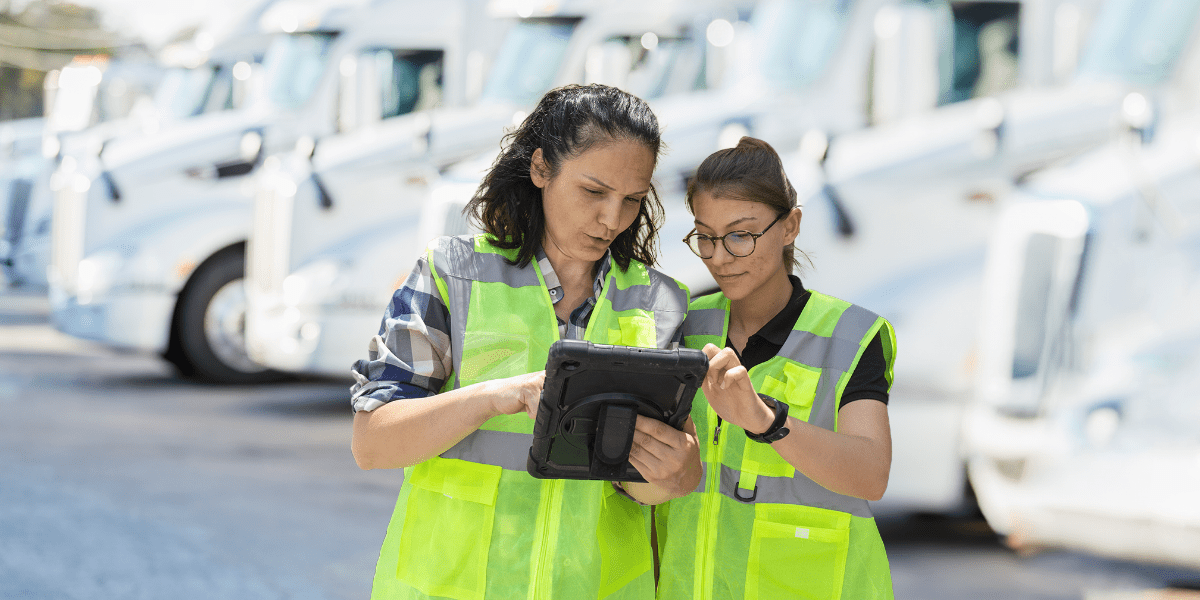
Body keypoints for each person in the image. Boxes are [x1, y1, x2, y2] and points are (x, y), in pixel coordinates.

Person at [349, 84, 702, 600]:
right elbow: (373, 443)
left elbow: (651, 488)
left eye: (632, 200)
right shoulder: (452, 274)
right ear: (540, 168)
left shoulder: (662, 303)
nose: (612, 219)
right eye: (594, 192)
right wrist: (494, 397)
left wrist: (675, 472)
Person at [655, 137, 897, 600]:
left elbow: (871, 474)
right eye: (705, 237)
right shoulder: (680, 325)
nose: (718, 257)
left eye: (740, 236)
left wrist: (765, 421)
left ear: (790, 226)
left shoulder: (852, 335)